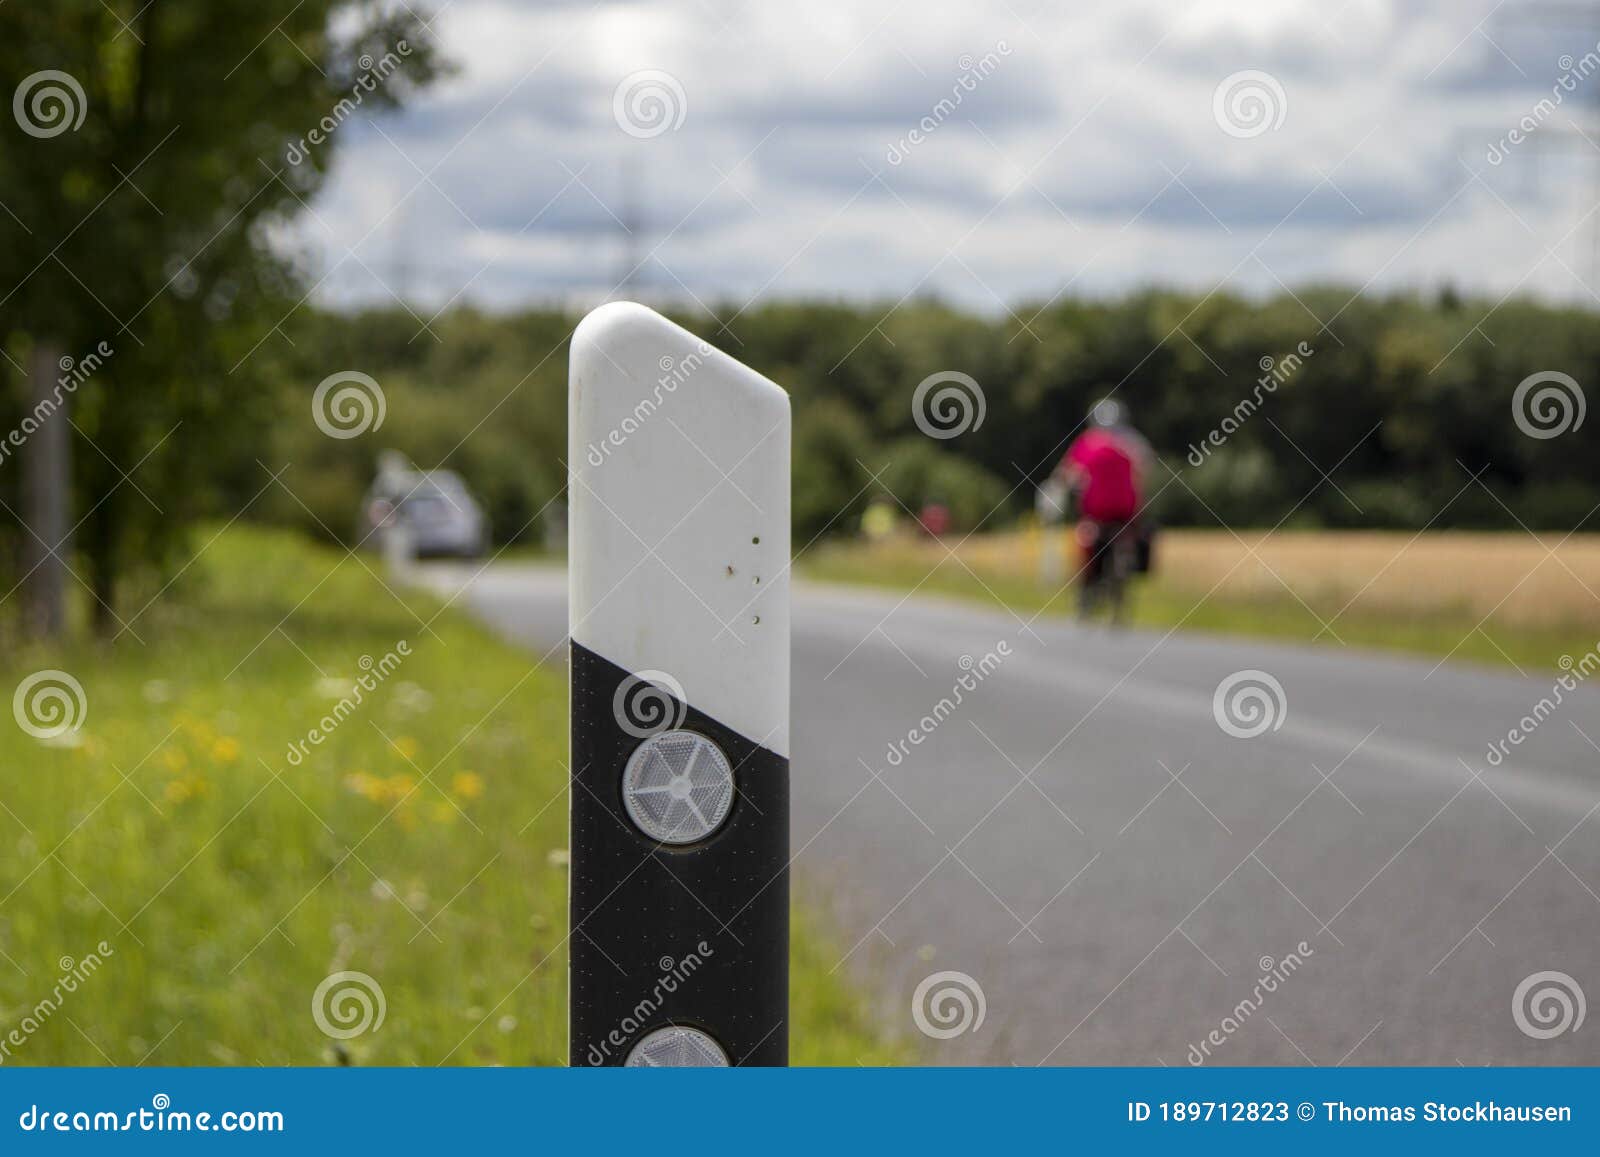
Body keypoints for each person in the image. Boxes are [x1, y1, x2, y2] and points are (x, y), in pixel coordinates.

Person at [1053, 398, 1153, 623]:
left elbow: (1068, 472)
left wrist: (1064, 489)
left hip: (1096, 513)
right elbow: (1145, 470)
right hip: (1127, 512)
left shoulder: (1088, 442)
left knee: (1085, 544)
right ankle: (1117, 592)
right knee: (1129, 540)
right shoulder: (1133, 441)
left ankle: (1086, 596)